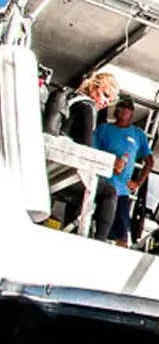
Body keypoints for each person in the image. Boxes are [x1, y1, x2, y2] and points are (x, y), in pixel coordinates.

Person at [48, 71, 120, 241]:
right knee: (109, 192)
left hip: (53, 169)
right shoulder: (87, 108)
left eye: (110, 100)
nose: (106, 102)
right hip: (63, 173)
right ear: (94, 87)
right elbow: (86, 149)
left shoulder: (71, 100)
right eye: (105, 95)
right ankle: (100, 240)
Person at [94, 93, 153, 247]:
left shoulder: (138, 134)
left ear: (132, 112)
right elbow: (91, 152)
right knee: (96, 227)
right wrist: (110, 162)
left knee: (121, 237)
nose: (126, 110)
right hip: (100, 185)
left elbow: (149, 161)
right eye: (122, 106)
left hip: (121, 191)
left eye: (129, 107)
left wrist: (138, 182)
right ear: (116, 109)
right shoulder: (103, 128)